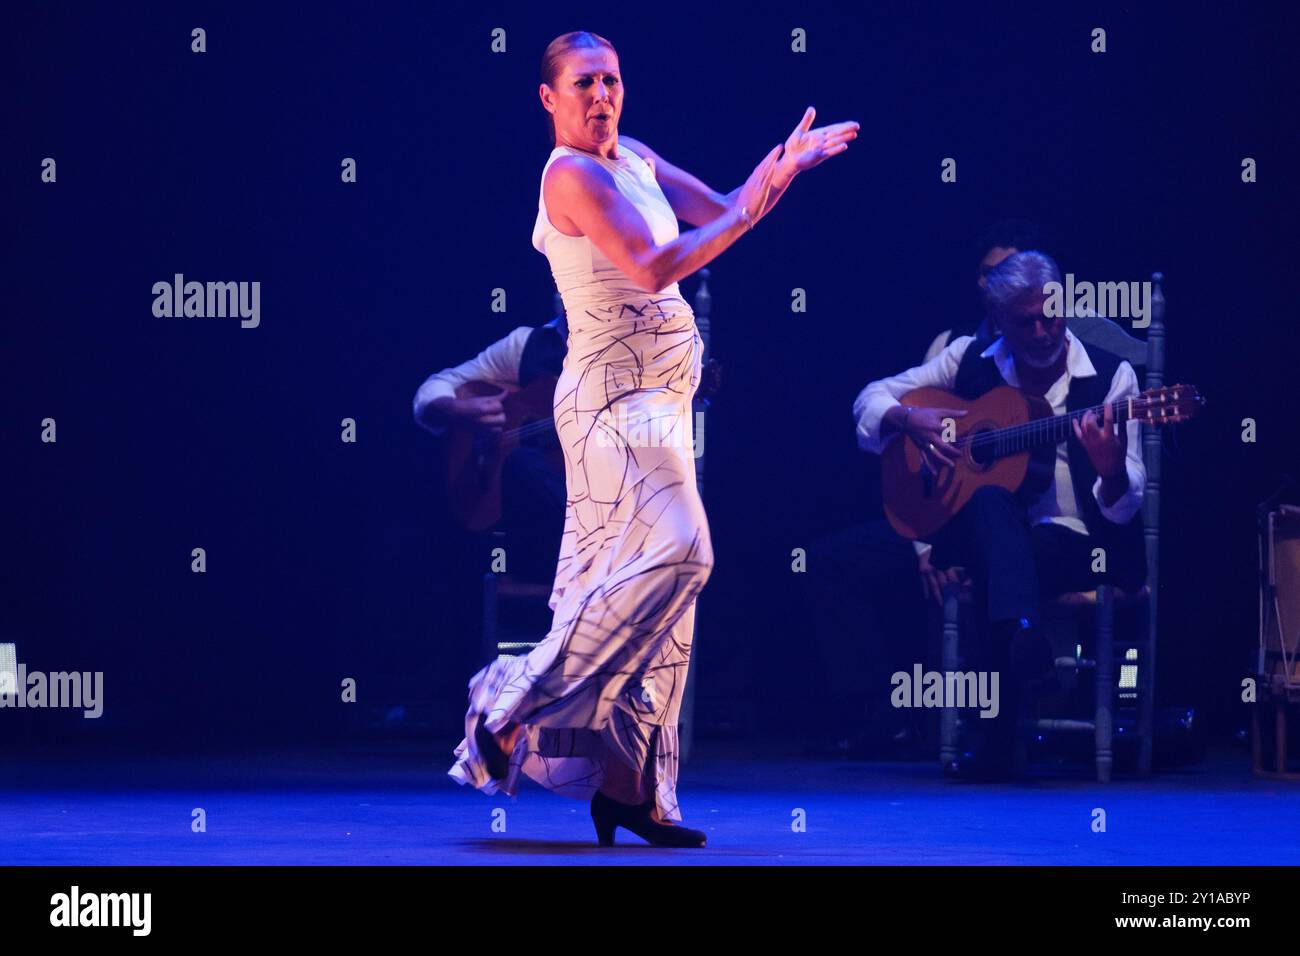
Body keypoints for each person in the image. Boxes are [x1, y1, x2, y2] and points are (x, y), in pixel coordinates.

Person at [447, 30, 858, 846]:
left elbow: (718, 208)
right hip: (611, 403)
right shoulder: (567, 174)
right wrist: (750, 205)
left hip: (659, 405)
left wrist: (779, 170)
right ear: (549, 98)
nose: (602, 96)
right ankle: (512, 702)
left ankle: (631, 786)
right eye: (584, 84)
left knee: (664, 605)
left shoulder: (631, 154)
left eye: (612, 80)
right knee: (685, 552)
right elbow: (653, 264)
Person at [853, 250, 1146, 779]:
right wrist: (908, 417)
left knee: (1001, 559)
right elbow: (869, 398)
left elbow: (1128, 507)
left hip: (1083, 544)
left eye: (1050, 315)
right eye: (1023, 321)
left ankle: (997, 738)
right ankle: (1024, 633)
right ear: (997, 318)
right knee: (991, 508)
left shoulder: (1112, 379)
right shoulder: (969, 359)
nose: (1040, 330)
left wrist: (1112, 471)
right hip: (987, 535)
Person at [802, 221, 1045, 759]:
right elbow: (872, 404)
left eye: (1013, 274)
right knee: (830, 560)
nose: (999, 286)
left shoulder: (1053, 354)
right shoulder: (956, 351)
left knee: (984, 552)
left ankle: (987, 730)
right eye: (990, 274)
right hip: (934, 521)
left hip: (999, 526)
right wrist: (922, 543)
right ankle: (874, 719)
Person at [413, 317, 568, 584]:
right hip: (541, 543)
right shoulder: (528, 345)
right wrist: (458, 409)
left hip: (619, 520)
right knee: (521, 461)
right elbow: (433, 389)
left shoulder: (644, 349)